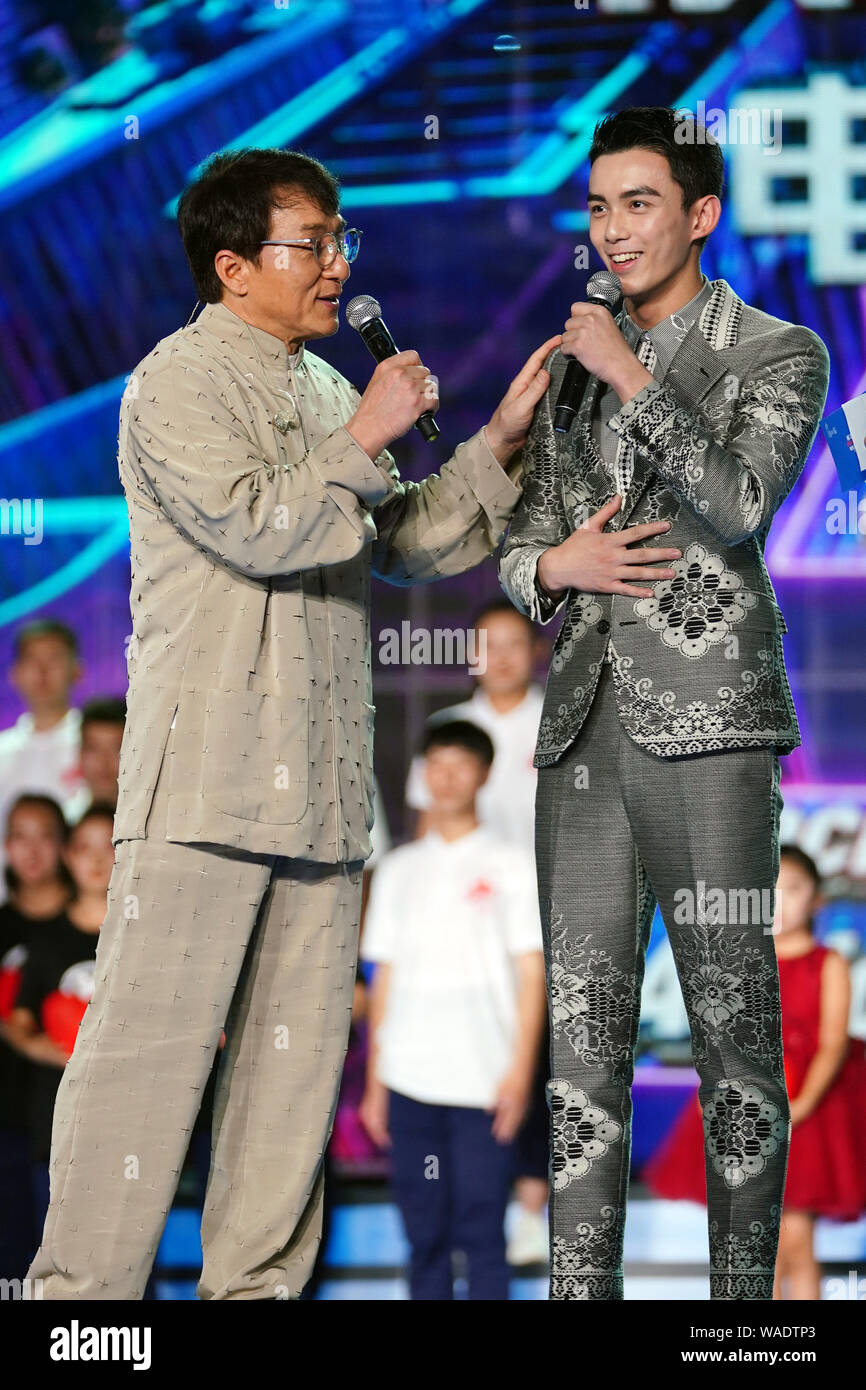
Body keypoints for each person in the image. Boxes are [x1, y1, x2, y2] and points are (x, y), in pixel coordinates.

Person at [26, 146, 560, 1300]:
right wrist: (365, 436)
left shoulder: (324, 389)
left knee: (291, 1086)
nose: (334, 265)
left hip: (318, 798)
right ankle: (81, 1309)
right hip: (207, 790)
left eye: (339, 241)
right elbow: (260, 524)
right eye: (310, 243)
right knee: (145, 1071)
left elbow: (404, 542)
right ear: (232, 268)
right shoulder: (174, 383)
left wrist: (494, 448)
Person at [498, 105, 831, 1300]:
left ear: (698, 215)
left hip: (713, 737)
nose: (612, 229)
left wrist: (627, 372)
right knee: (579, 1055)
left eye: (637, 203)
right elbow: (523, 542)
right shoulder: (569, 375)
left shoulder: (777, 350)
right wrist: (549, 569)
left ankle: (741, 1316)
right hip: (581, 735)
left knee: (734, 1040)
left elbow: (739, 501)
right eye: (595, 206)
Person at [359, 720, 546, 1298]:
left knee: (483, 1231)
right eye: (434, 764)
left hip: (484, 1081)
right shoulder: (397, 870)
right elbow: (382, 977)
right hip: (409, 1077)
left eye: (460, 764)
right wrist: (374, 1083)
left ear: (484, 774)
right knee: (424, 1235)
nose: (445, 777)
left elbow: (532, 974)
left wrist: (520, 1073)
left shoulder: (512, 865)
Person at [644, 845, 866, 1300]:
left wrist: (798, 1106)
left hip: (810, 1114)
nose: (781, 901)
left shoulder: (829, 964)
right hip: (749, 1113)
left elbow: (832, 1045)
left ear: (818, 899)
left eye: (795, 889)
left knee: (796, 1240)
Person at [404, 597, 550, 1264]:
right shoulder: (448, 728)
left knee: (540, 1056)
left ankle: (531, 1203)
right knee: (473, 1058)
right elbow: (424, 830)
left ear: (535, 652)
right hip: (463, 927)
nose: (501, 657)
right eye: (487, 643)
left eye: (514, 643)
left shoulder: (558, 716)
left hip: (544, 917)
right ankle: (469, 1206)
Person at [4, 804, 115, 1244]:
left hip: (127, 1126)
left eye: (109, 846)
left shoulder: (145, 936)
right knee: (51, 1254)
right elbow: (19, 1020)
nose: (96, 859)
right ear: (68, 856)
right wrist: (55, 1052)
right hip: (56, 1126)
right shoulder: (48, 938)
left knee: (127, 1259)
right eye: (83, 847)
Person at [0, 795, 72, 1277]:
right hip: (6, 1118)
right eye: (19, 836)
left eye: (44, 835)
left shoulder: (92, 923)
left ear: (64, 847)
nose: (31, 851)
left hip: (70, 1125)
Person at [0, 622, 86, 904]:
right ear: (15, 674)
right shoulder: (3, 750)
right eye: (32, 659)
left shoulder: (95, 747)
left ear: (77, 671)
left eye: (54, 658)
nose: (42, 670)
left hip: (77, 902)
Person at [62, 696, 127, 823]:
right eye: (94, 749)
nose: (104, 762)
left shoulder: (154, 825)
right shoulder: (66, 820)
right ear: (80, 754)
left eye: (116, 749)